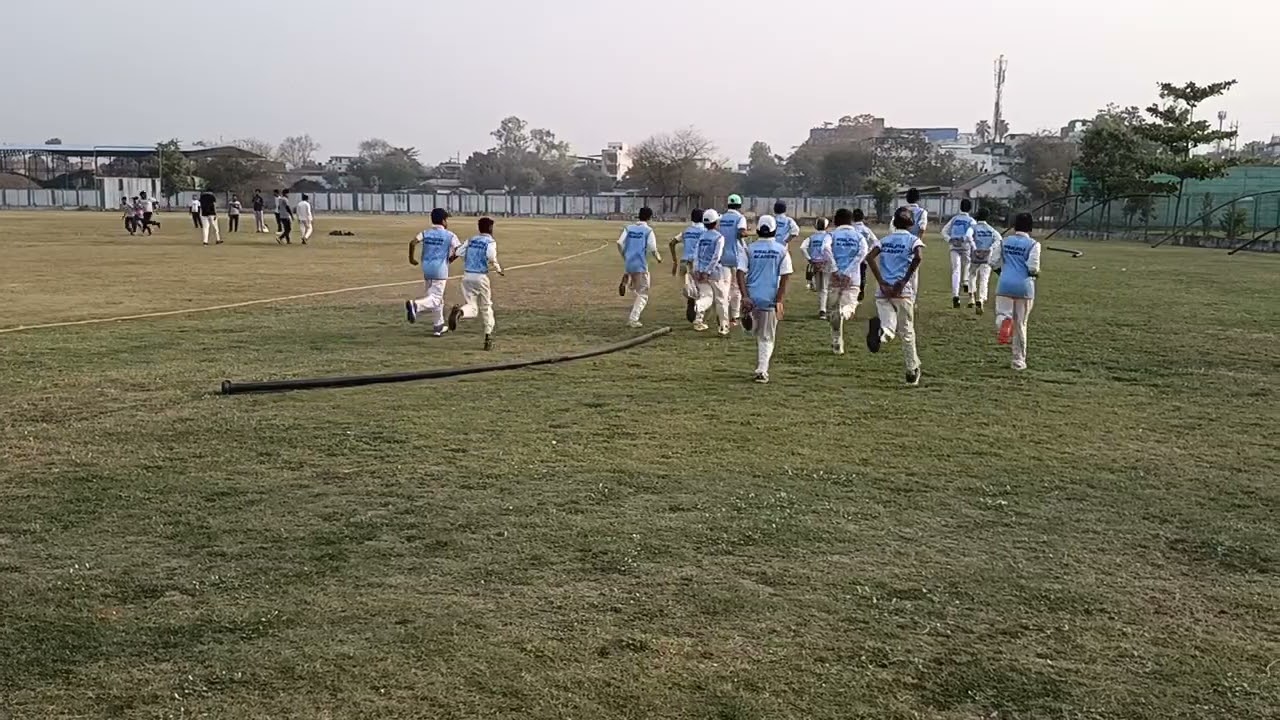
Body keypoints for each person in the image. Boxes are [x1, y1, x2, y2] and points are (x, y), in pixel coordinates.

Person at [865, 206, 925, 387]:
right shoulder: (913, 240)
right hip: (902, 292)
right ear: (911, 223)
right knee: (907, 332)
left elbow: (869, 258)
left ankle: (880, 334)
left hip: (883, 292)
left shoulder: (885, 240)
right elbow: (918, 257)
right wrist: (904, 280)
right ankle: (911, 370)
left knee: (889, 328)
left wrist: (882, 281)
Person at [736, 215, 793, 384]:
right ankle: (762, 370)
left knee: (755, 332)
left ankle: (747, 320)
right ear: (775, 231)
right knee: (766, 337)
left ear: (759, 230)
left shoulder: (749, 249)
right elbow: (785, 276)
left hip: (752, 297)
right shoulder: (782, 250)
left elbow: (740, 273)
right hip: (770, 298)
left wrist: (745, 296)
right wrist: (779, 299)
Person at [989, 212, 1041, 371]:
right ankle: (1018, 361)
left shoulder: (1003, 242)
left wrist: (1001, 273)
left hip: (1005, 284)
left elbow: (993, 261)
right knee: (1021, 325)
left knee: (1002, 314)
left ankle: (1004, 321)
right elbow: (1033, 267)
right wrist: (1036, 274)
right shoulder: (1033, 244)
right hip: (1024, 286)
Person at [447, 217, 505, 350]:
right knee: (486, 307)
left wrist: (469, 258)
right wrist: (498, 268)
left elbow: (459, 252)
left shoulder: (471, 239)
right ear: (490, 228)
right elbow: (491, 256)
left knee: (472, 306)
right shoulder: (490, 241)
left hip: (467, 276)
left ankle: (460, 312)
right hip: (481, 277)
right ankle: (488, 336)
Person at [405, 208, 462, 336]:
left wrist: (411, 259)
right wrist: (450, 259)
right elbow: (459, 249)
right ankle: (416, 306)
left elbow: (412, 243)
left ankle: (438, 326)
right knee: (435, 299)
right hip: (440, 269)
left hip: (427, 268)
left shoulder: (426, 233)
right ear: (443, 221)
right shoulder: (449, 235)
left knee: (436, 297)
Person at [827, 208, 870, 355]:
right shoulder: (859, 236)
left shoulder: (831, 235)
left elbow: (825, 248)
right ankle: (843, 313)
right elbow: (863, 253)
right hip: (852, 278)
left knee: (832, 312)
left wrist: (835, 269)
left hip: (834, 277)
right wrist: (848, 271)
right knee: (850, 306)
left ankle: (836, 342)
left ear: (836, 220)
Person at [616, 207, 662, 328]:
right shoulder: (648, 231)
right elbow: (652, 247)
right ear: (650, 218)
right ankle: (633, 319)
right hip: (640, 264)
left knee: (637, 287)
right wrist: (658, 258)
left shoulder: (629, 228)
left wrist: (624, 255)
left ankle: (627, 281)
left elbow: (619, 242)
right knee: (643, 293)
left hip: (628, 262)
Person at [691, 209, 730, 335]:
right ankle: (723, 327)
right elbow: (716, 256)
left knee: (705, 296)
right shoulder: (719, 237)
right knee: (721, 299)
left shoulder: (702, 236)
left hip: (700, 271)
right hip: (714, 272)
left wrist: (697, 269)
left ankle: (699, 314)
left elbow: (696, 254)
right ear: (716, 222)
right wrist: (708, 271)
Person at [718, 193, 750, 329]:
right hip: (737, 256)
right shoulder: (740, 218)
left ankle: (723, 315)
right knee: (736, 287)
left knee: (724, 287)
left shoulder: (721, 218)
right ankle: (734, 316)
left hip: (722, 256)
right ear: (739, 205)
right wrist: (751, 233)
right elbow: (741, 233)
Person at [670, 207, 705, 322]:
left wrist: (675, 260)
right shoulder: (704, 231)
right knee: (702, 290)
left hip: (684, 262)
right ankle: (698, 317)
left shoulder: (686, 231)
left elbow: (672, 243)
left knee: (689, 290)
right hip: (697, 263)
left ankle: (691, 302)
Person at [940, 199, 977, 308]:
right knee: (968, 266)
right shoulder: (971, 220)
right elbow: (971, 235)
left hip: (954, 246)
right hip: (966, 246)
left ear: (960, 207)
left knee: (956, 270)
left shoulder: (954, 219)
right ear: (970, 208)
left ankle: (955, 295)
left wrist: (950, 239)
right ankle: (965, 282)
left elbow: (944, 231)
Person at [969, 208, 1002, 315]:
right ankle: (981, 299)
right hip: (987, 255)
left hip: (975, 255)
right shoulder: (991, 229)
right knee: (984, 278)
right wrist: (991, 248)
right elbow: (999, 239)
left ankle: (971, 297)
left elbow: (968, 236)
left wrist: (974, 247)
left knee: (972, 275)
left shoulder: (973, 227)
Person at [802, 218, 832, 309]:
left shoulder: (811, 237)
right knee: (825, 287)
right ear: (826, 227)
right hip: (826, 263)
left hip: (815, 263)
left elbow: (802, 248)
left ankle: (822, 308)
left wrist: (809, 259)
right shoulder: (829, 237)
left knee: (819, 288)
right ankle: (823, 309)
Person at [851, 208, 879, 298]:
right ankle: (861, 291)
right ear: (863, 217)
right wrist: (868, 252)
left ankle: (852, 292)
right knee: (862, 274)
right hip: (863, 257)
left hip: (852, 257)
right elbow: (876, 242)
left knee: (852, 275)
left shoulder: (851, 230)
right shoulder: (867, 230)